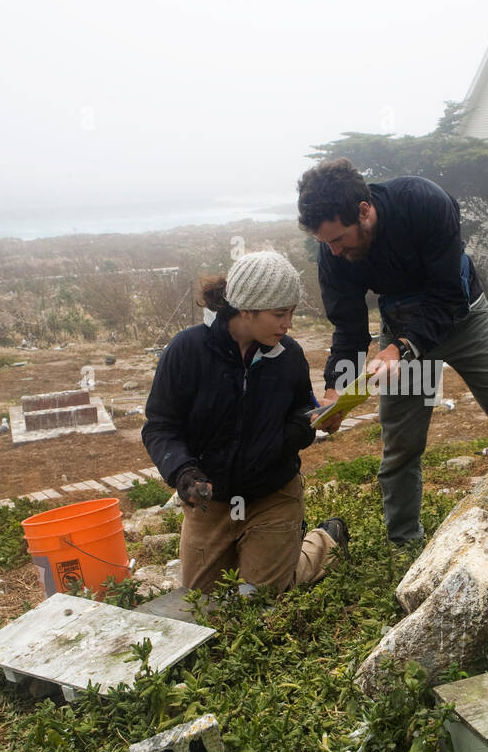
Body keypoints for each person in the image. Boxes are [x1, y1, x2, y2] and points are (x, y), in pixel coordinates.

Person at [297, 158, 488, 545]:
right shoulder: (332, 254)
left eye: (338, 239)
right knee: (401, 445)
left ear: (363, 211)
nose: (333, 251)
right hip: (401, 326)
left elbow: (448, 296)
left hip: (463, 319)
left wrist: (400, 349)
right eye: (325, 243)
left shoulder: (423, 202)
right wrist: (337, 390)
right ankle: (404, 545)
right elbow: (348, 326)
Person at [141, 251, 348, 596]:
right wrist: (184, 472)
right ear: (246, 310)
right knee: (201, 602)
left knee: (260, 599)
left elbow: (298, 409)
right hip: (213, 501)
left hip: (272, 494)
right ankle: (266, 555)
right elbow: (160, 426)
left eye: (292, 313)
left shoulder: (289, 356)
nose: (288, 324)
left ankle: (324, 541)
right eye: (280, 314)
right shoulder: (186, 351)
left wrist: (310, 423)